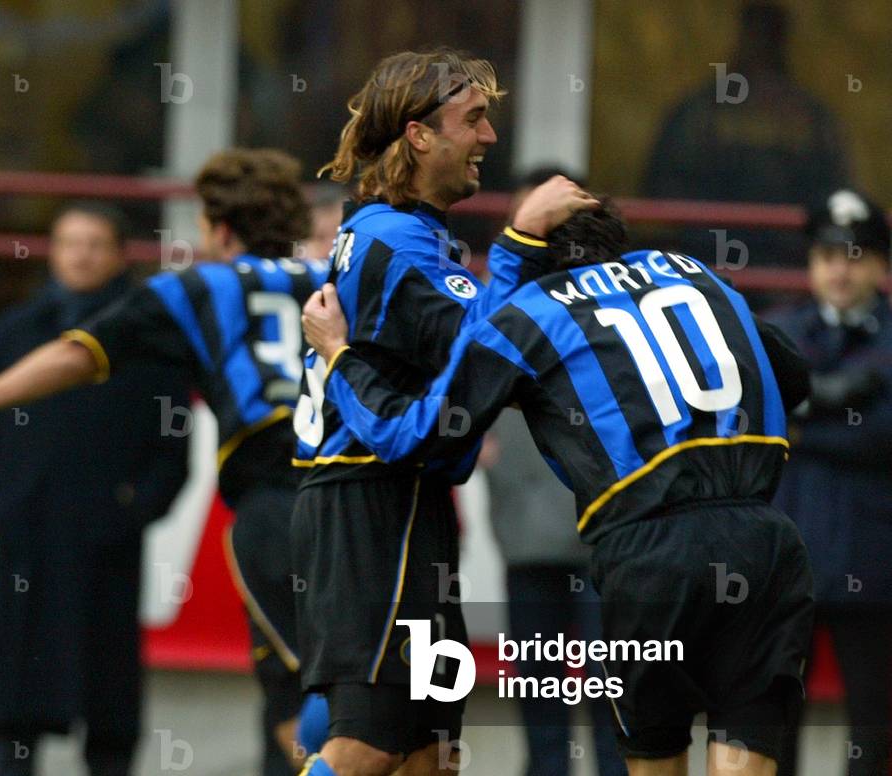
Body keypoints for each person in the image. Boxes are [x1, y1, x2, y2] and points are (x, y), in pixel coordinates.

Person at [302, 202, 815, 776]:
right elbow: (794, 377)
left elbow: (413, 435)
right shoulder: (693, 273)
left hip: (650, 549)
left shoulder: (533, 310)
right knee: (747, 751)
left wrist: (339, 358)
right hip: (766, 542)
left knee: (655, 754)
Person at [0, 149, 329, 775]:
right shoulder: (338, 281)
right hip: (371, 496)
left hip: (276, 508)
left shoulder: (191, 291)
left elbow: (80, 354)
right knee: (387, 699)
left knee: (297, 703)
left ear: (219, 229)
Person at [290, 48, 598, 776]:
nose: (488, 136)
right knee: (370, 742)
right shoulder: (393, 240)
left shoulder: (401, 232)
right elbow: (488, 349)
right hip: (371, 506)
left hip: (407, 502)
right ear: (419, 135)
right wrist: (521, 241)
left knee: (432, 748)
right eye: (474, 119)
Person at [0, 201, 190, 776]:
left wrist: (131, 512)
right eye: (69, 243)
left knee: (108, 704)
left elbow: (173, 443)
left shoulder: (149, 339)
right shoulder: (17, 332)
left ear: (120, 255)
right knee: (17, 708)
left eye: (94, 243)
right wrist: (2, 503)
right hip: (27, 542)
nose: (81, 256)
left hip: (107, 546)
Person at [481, 166, 625, 776]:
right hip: (528, 541)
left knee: (613, 695)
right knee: (541, 694)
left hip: (605, 542)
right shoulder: (495, 306)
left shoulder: (609, 306)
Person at [768, 189, 892, 776]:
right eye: (827, 256)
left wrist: (801, 415)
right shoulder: (778, 332)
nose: (841, 270)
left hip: (873, 558)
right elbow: (754, 422)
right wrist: (844, 401)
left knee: (871, 717)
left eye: (856, 255)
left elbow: (882, 436)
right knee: (773, 717)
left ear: (881, 264)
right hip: (788, 557)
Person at [643, 1, 850, 267]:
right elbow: (663, 184)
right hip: (704, 252)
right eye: (754, 34)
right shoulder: (700, 112)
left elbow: (833, 192)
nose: (760, 46)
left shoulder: (810, 119)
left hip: (785, 261)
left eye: (768, 36)